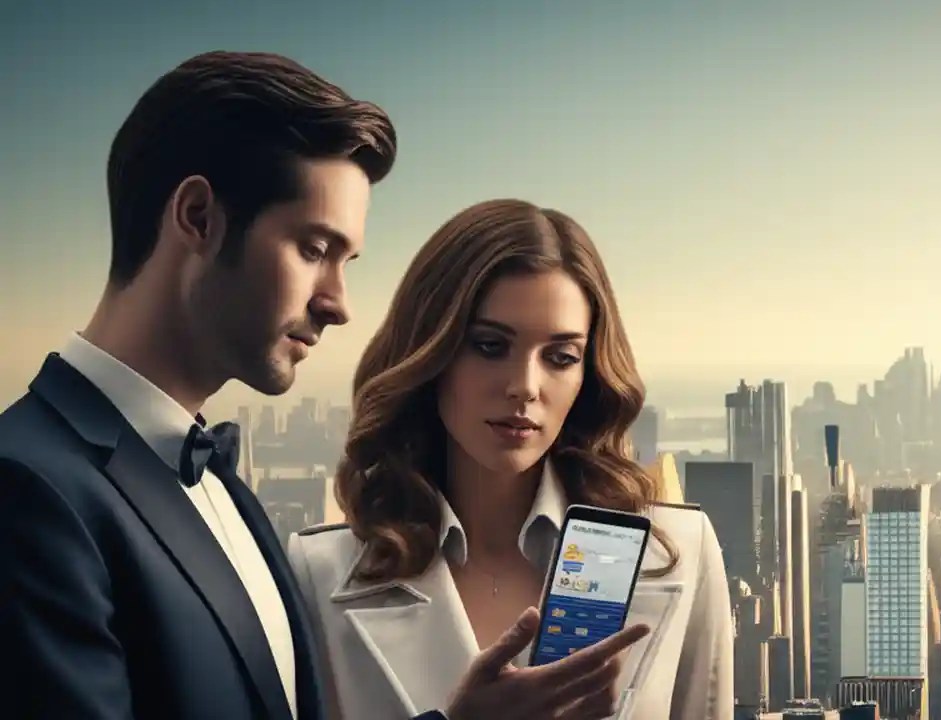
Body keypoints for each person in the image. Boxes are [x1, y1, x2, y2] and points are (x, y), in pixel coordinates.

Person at [0, 52, 645, 720]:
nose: (338, 304)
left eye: (347, 262)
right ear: (196, 217)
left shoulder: (221, 489)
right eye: (313, 250)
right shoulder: (26, 488)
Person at [287, 199, 734, 719]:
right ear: (431, 353)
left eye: (561, 357)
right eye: (489, 346)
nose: (524, 386)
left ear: (587, 373)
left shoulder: (675, 554)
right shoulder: (321, 575)